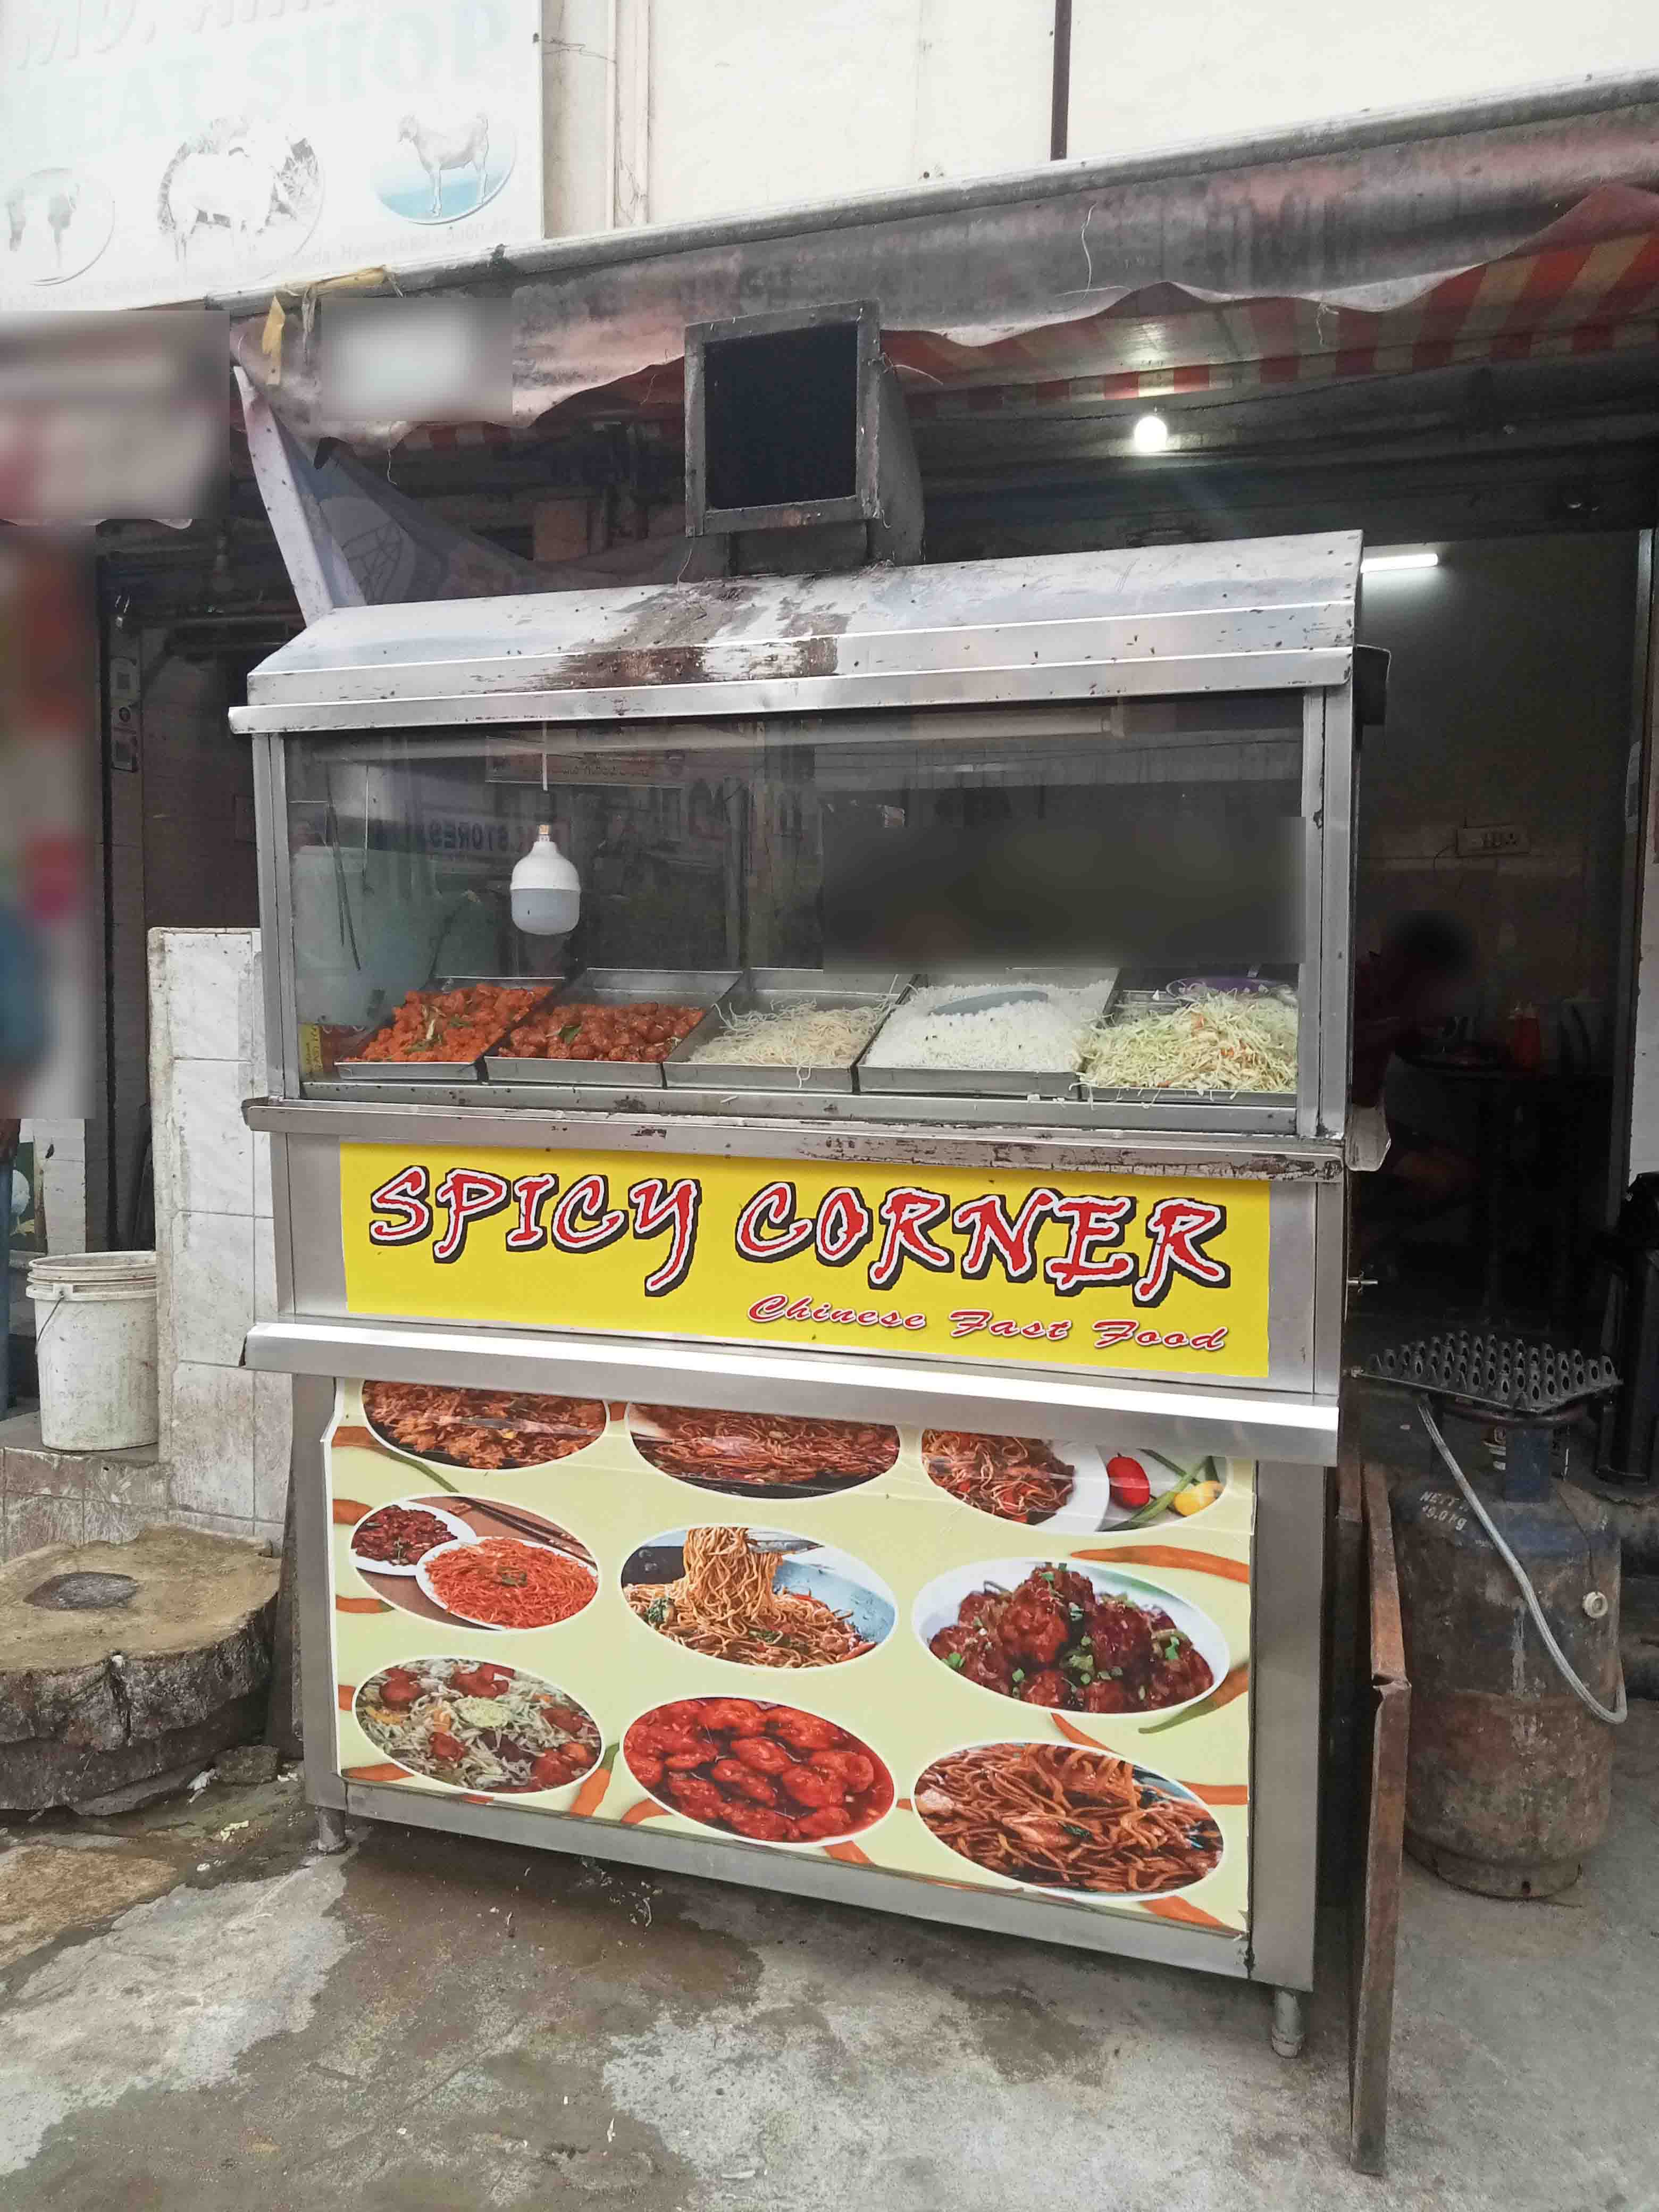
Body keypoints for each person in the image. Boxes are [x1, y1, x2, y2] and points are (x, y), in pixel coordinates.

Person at [1351, 911, 1475, 1211]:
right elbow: (1341, 1043)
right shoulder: (1359, 981)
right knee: (1440, 1179)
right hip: (1346, 1122)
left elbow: (1408, 1046)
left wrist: (1439, 1036)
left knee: (1464, 1171)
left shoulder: (1401, 992)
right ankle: (1360, 1246)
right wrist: (1407, 1020)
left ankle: (1368, 1240)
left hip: (1372, 1121)